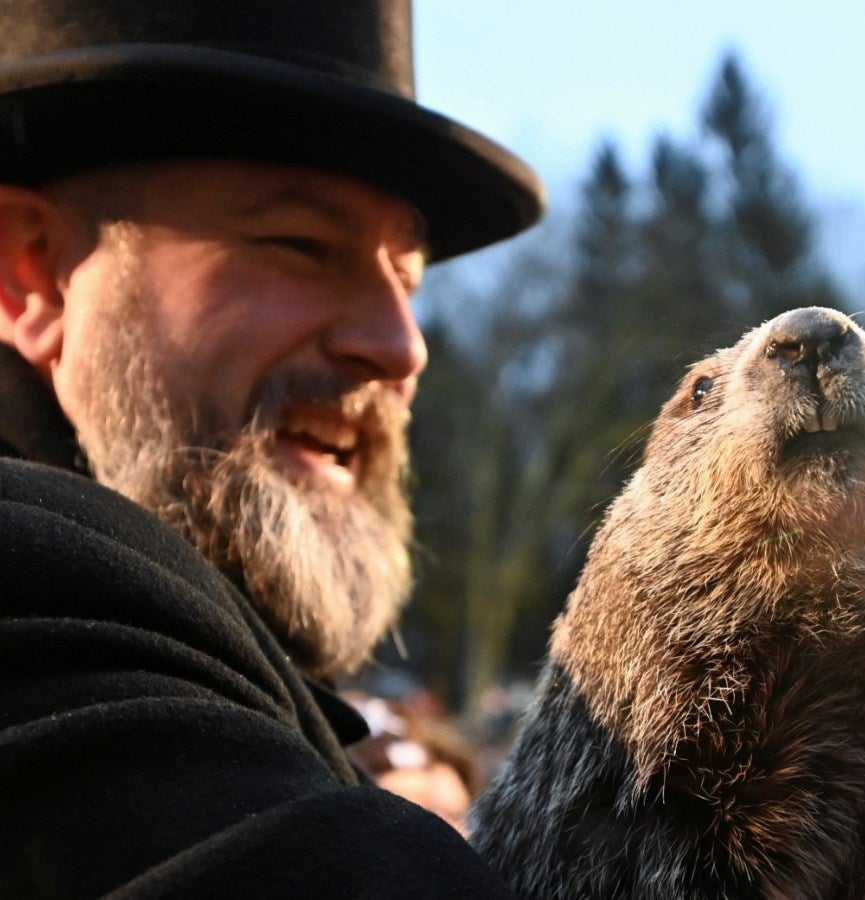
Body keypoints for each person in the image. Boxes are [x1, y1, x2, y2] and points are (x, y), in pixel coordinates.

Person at [0, 1, 543, 896]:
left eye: (406, 278)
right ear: (35, 274)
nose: (405, 348)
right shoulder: (28, 561)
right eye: (300, 244)